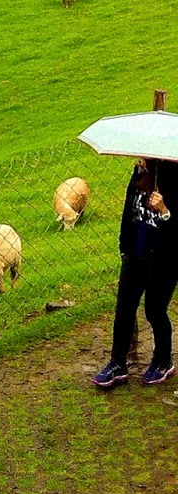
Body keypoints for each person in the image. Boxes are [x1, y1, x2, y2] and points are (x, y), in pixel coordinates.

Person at [94, 157, 178, 388]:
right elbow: (128, 211)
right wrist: (124, 247)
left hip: (165, 258)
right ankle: (117, 363)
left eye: (144, 156)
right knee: (124, 310)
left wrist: (165, 211)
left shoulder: (173, 178)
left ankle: (162, 360)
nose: (138, 159)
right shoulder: (139, 175)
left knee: (154, 311)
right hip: (136, 253)